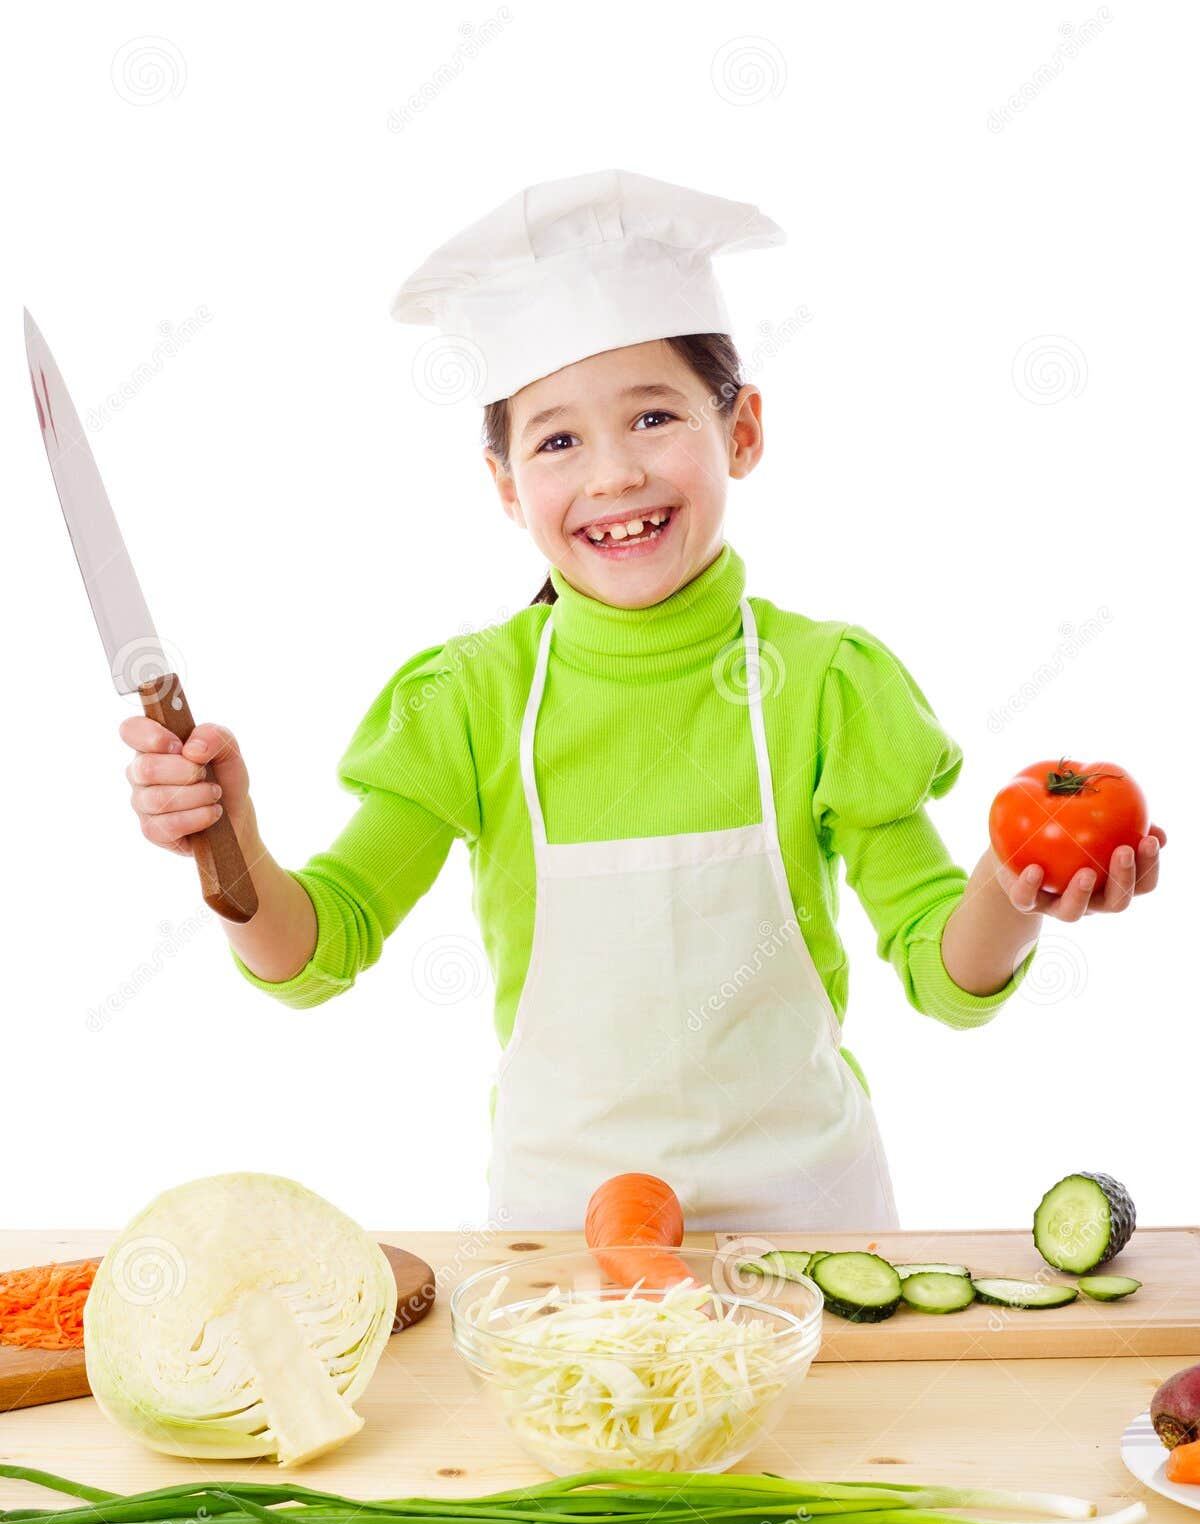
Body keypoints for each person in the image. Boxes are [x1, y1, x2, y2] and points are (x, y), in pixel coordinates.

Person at [119, 168, 1166, 1231]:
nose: (614, 474)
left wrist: (1014, 886)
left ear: (742, 431)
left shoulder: (827, 684)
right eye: (558, 439)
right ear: (504, 484)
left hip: (812, 1239)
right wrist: (233, 842)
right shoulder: (472, 698)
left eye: (654, 416)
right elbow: (315, 951)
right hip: (564, 1251)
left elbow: (945, 975)